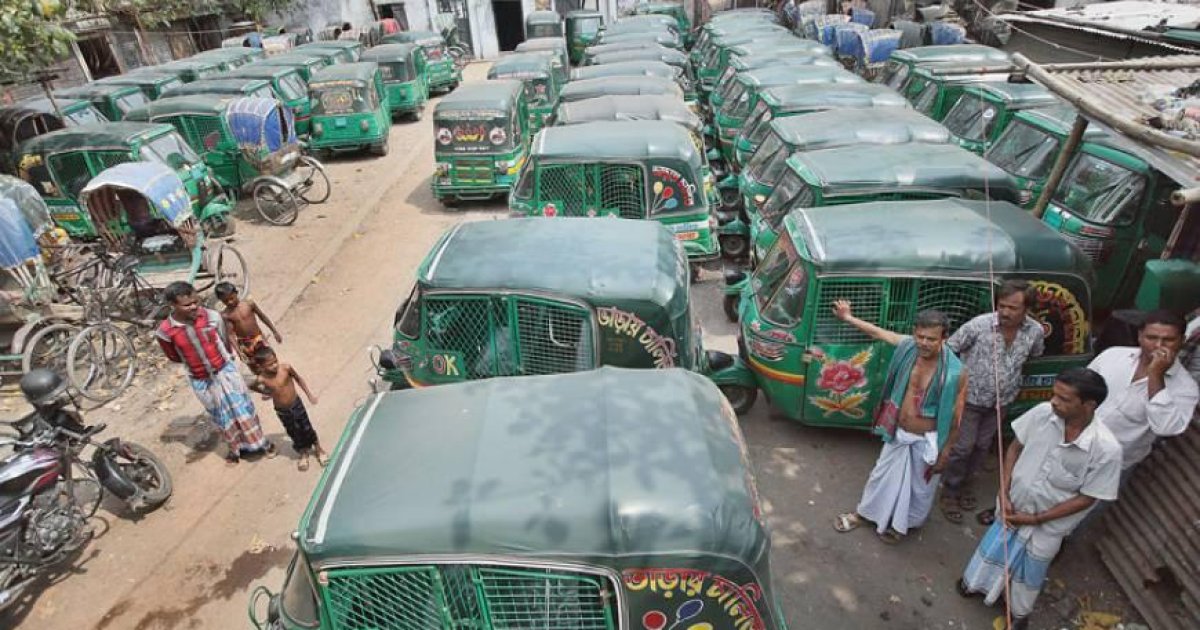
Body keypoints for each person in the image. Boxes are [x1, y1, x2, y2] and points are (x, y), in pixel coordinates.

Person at [959, 368, 1122, 628]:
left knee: (1029, 572)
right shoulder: (1043, 413)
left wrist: (1036, 518)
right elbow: (1014, 448)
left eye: (1064, 398)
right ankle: (975, 585)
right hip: (1013, 505)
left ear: (1089, 405)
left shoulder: (1106, 449)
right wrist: (1003, 490)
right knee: (994, 549)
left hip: (1047, 526)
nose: (1054, 402)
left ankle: (1017, 613)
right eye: (1054, 394)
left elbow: (1087, 498)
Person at [832, 303, 967, 544]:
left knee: (919, 489)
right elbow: (878, 333)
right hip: (898, 433)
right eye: (920, 336)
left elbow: (957, 417)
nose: (924, 343)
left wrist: (946, 452)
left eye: (931, 339)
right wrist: (848, 317)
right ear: (914, 333)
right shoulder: (908, 348)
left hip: (927, 442)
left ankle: (903, 525)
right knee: (880, 476)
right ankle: (865, 514)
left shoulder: (956, 372)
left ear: (944, 338)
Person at [940, 280, 1045, 525]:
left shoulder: (1035, 331)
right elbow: (949, 348)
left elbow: (1036, 353)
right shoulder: (979, 325)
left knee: (983, 445)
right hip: (970, 398)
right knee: (963, 447)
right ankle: (950, 491)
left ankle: (966, 484)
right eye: (1002, 305)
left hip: (1002, 401)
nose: (1006, 312)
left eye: (1013, 308)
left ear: (1027, 310)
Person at [156, 281, 275, 464]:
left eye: (195, 301)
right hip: (201, 380)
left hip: (224, 372)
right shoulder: (165, 332)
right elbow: (174, 356)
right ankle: (236, 449)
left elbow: (225, 342)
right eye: (187, 305)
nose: (194, 306)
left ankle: (262, 444)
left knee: (244, 409)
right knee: (221, 417)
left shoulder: (212, 317)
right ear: (173, 305)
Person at [1088, 310, 1198, 474]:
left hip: (1109, 465)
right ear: (1140, 336)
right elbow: (1080, 390)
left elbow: (1165, 428)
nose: (1159, 345)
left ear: (1182, 341)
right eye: (1151, 338)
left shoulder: (1185, 388)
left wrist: (1156, 375)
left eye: (1168, 340)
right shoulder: (1113, 356)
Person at [249, 347, 327, 471]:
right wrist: (266, 392)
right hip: (282, 410)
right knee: (293, 431)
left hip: (296, 404)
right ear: (261, 367)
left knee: (306, 427)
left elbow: (299, 379)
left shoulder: (285, 368)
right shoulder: (262, 379)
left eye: (275, 361)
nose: (274, 365)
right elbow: (252, 385)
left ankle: (318, 448)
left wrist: (309, 395)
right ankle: (303, 453)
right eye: (270, 365)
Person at [215, 282, 283, 373]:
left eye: (231, 298)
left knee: (269, 359)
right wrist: (239, 352)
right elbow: (230, 334)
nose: (229, 302)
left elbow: (262, 317)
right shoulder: (226, 315)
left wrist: (275, 331)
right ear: (221, 300)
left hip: (259, 338)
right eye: (225, 301)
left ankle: (277, 380)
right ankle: (263, 381)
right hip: (245, 343)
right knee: (254, 365)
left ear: (236, 293)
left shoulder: (249, 304)